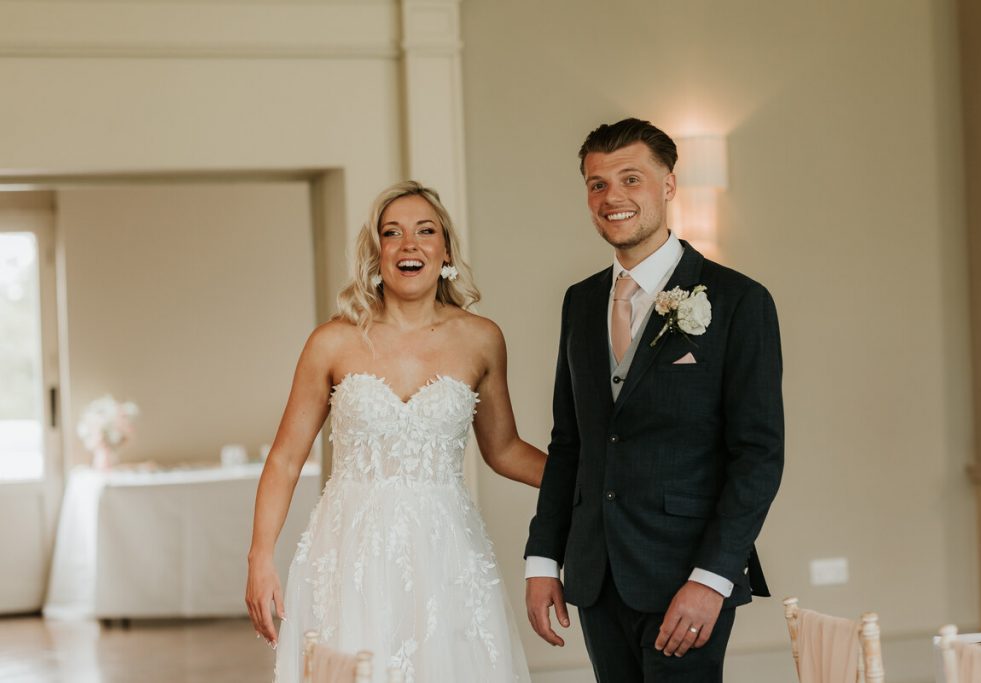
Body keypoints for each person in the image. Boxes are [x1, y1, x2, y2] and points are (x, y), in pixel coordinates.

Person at [246, 180, 542, 682]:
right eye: (393, 233)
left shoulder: (481, 339)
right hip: (346, 558)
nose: (410, 244)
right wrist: (260, 556)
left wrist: (588, 480)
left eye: (425, 231)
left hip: (446, 554)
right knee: (346, 674)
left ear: (444, 248)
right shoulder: (332, 341)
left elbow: (505, 449)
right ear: (376, 251)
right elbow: (285, 459)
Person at [524, 118, 784, 682]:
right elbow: (570, 443)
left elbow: (758, 455)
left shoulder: (739, 300)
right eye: (597, 184)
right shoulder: (580, 301)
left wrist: (711, 579)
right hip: (596, 577)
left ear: (668, 185)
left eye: (630, 179)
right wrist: (543, 560)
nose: (612, 196)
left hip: (685, 578)